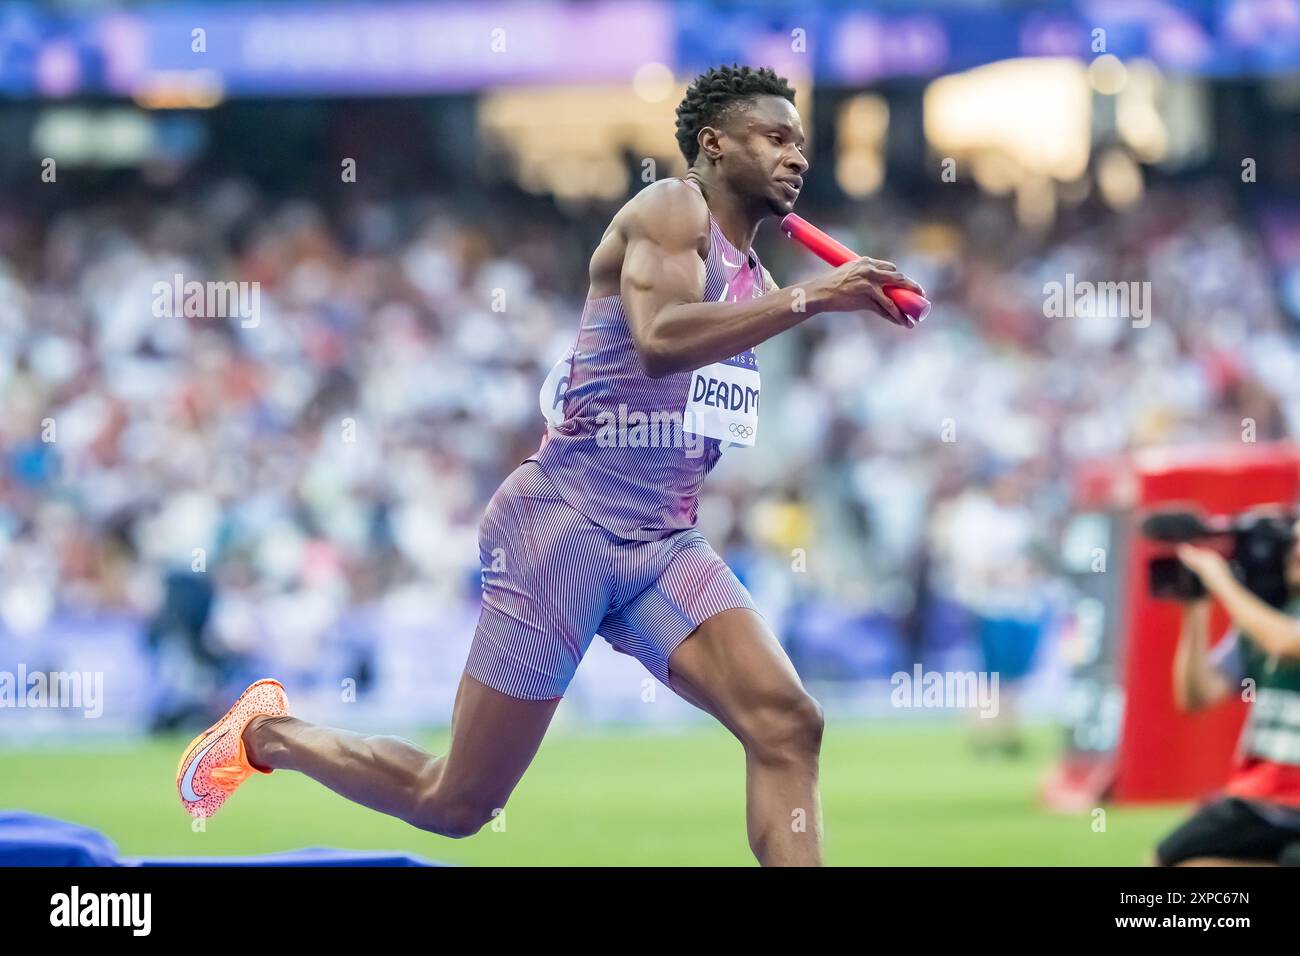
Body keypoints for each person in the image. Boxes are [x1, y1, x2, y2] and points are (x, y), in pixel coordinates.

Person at [175, 64, 923, 867]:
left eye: (800, 142)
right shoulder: (672, 208)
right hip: (563, 527)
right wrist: (816, 297)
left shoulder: (755, 277)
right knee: (456, 802)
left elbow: (691, 410)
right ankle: (264, 735)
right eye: (775, 137)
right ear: (714, 144)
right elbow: (661, 338)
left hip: (660, 543)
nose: (796, 156)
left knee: (787, 723)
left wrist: (809, 299)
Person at [1155, 523, 1300, 866]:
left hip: (1286, 800)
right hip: (1266, 797)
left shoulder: (1271, 628)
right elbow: (1196, 694)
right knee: (1179, 858)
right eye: (1294, 542)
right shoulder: (1267, 619)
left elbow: (1285, 643)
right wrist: (1196, 609)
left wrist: (1222, 581)